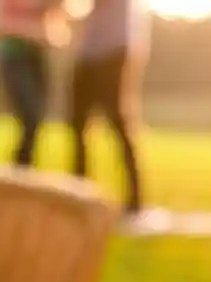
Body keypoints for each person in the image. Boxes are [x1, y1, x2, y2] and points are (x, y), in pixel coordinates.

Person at [70, 0, 167, 234]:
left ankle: (135, 199)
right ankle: (78, 193)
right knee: (76, 123)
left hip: (116, 47)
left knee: (118, 122)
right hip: (90, 50)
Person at [0, 0, 67, 167]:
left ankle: (26, 168)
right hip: (12, 55)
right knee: (31, 116)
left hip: (37, 54)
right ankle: (21, 168)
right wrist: (31, 29)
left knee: (38, 117)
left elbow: (64, 12)